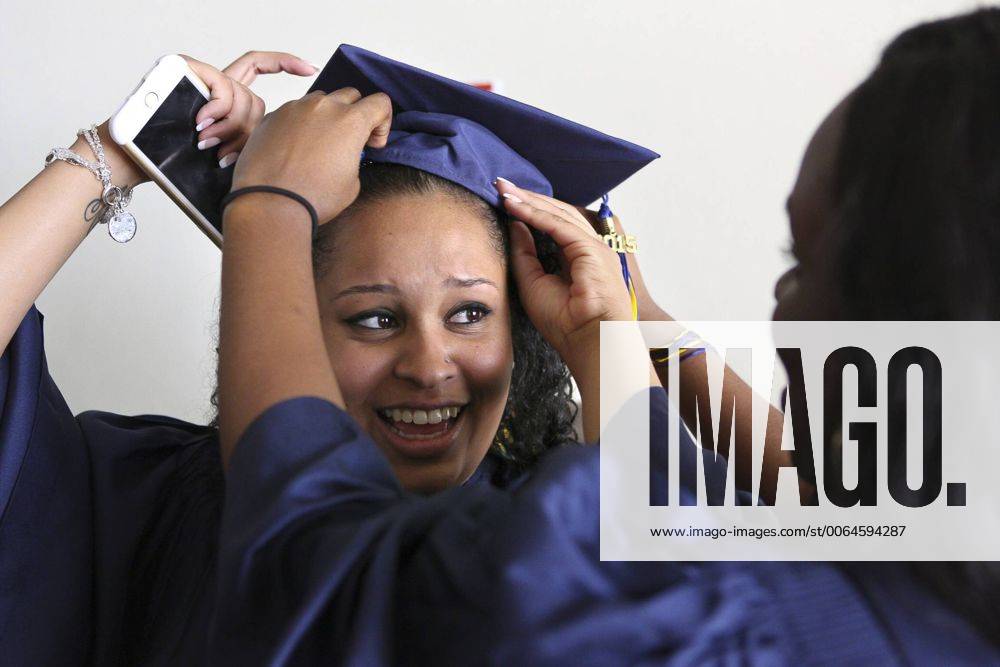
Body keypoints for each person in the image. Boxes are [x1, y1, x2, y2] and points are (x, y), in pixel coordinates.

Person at [0, 45, 663, 664]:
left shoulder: (550, 545)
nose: (430, 366)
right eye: (375, 318)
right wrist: (113, 154)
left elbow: (716, 557)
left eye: (469, 314)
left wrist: (615, 333)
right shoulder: (146, 498)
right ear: (285, 317)